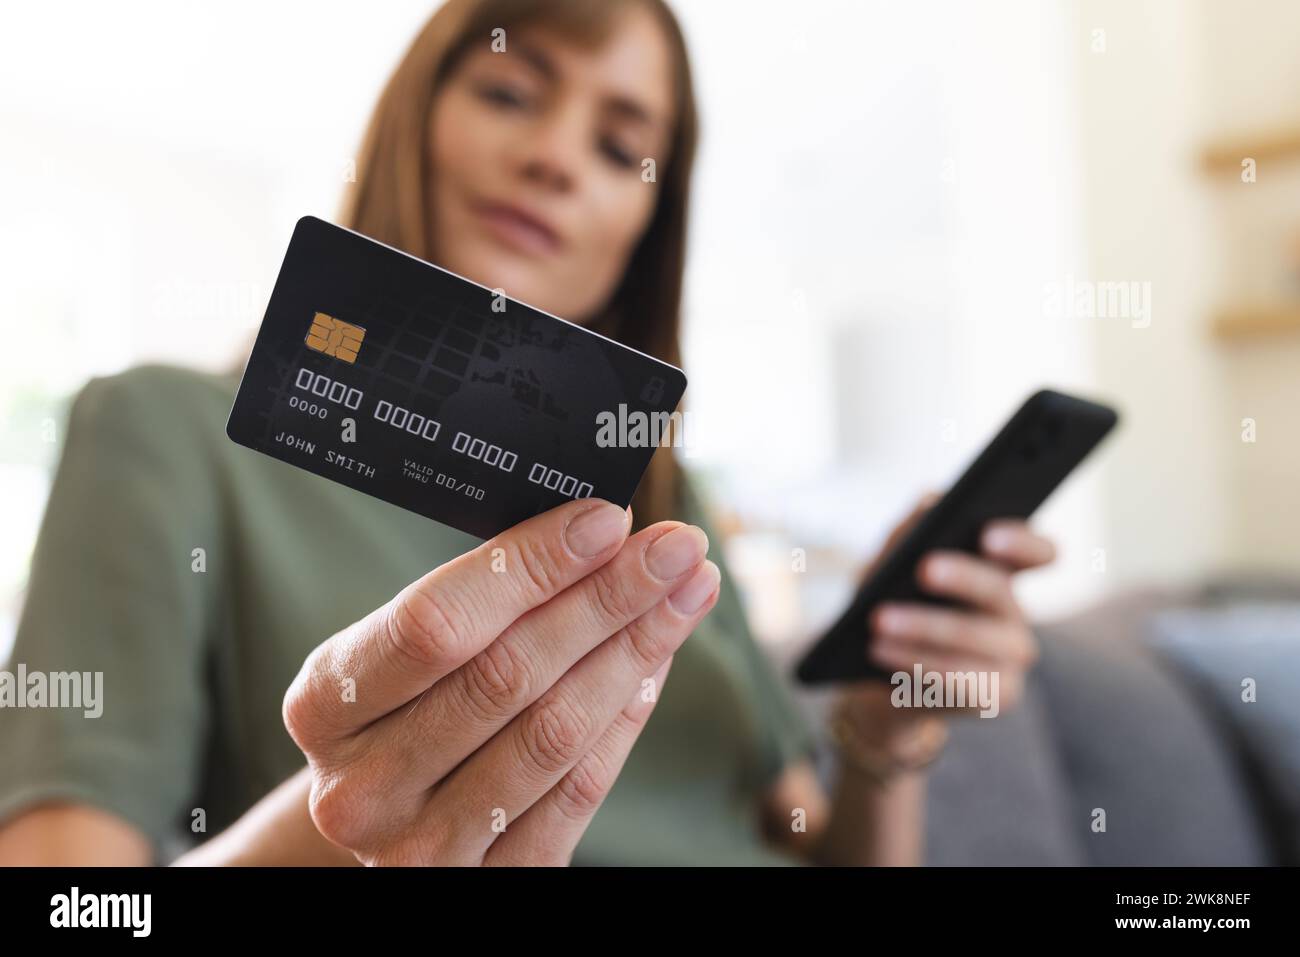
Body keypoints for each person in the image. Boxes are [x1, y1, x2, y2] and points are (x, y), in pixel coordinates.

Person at [0, 0, 1050, 867]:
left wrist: (880, 732)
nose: (554, 157)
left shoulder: (667, 508)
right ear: (414, 116)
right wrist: (342, 832)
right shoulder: (166, 429)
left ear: (646, 229)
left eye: (617, 147)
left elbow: (799, 846)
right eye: (509, 92)